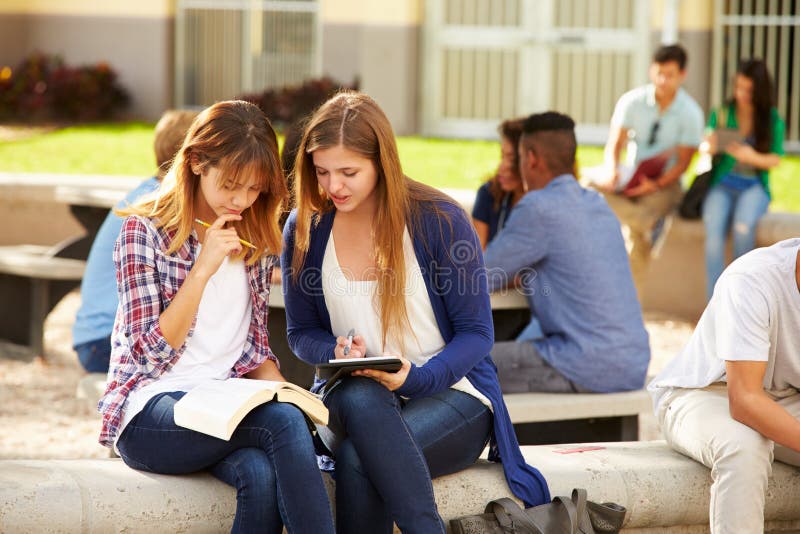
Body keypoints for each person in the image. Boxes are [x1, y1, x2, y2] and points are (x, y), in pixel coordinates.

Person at [282, 91, 550, 533]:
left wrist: (417, 379)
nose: (334, 186)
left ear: (381, 162)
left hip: (453, 393)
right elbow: (300, 332)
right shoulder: (306, 226)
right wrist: (335, 348)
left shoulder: (439, 220)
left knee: (358, 457)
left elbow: (477, 333)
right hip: (355, 395)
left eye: (349, 172)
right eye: (323, 171)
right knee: (361, 398)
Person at [97, 100, 334, 534]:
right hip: (150, 413)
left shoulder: (255, 241)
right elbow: (149, 356)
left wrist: (291, 396)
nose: (242, 200)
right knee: (279, 424)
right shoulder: (142, 233)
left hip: (222, 405)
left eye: (254, 189)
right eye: (230, 185)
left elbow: (252, 352)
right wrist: (202, 270)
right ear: (194, 164)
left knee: (261, 472)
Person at [484, 111, 650, 394]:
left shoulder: (537, 207)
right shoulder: (597, 204)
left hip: (584, 364)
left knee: (455, 366)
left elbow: (477, 277)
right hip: (634, 362)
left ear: (532, 158)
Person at [648, 238, 800, 533]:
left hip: (785, 394)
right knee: (743, 449)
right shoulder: (753, 279)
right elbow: (745, 399)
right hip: (704, 393)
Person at [72, 109, 198, 372]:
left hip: (92, 336)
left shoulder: (147, 191)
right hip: (105, 340)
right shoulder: (162, 206)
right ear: (194, 157)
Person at [596, 44, 704, 297]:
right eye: (659, 73)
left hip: (664, 186)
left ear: (682, 75)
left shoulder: (690, 113)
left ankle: (630, 305)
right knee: (587, 188)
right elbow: (615, 143)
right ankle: (648, 224)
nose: (663, 80)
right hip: (629, 178)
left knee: (635, 240)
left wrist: (654, 185)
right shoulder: (631, 102)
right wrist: (612, 170)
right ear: (651, 71)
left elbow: (683, 164)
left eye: (670, 74)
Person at [701, 58, 785, 300]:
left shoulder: (770, 119)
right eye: (739, 87)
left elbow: (775, 159)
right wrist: (711, 145)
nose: (742, 94)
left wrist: (751, 156)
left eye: (748, 90)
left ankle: (739, 302)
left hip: (753, 187)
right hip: (724, 183)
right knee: (714, 238)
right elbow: (706, 142)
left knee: (743, 229)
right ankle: (714, 305)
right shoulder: (724, 112)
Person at [472, 118, 526, 249]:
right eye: (502, 156)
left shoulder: (547, 204)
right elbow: (477, 259)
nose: (501, 167)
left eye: (511, 159)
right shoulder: (488, 194)